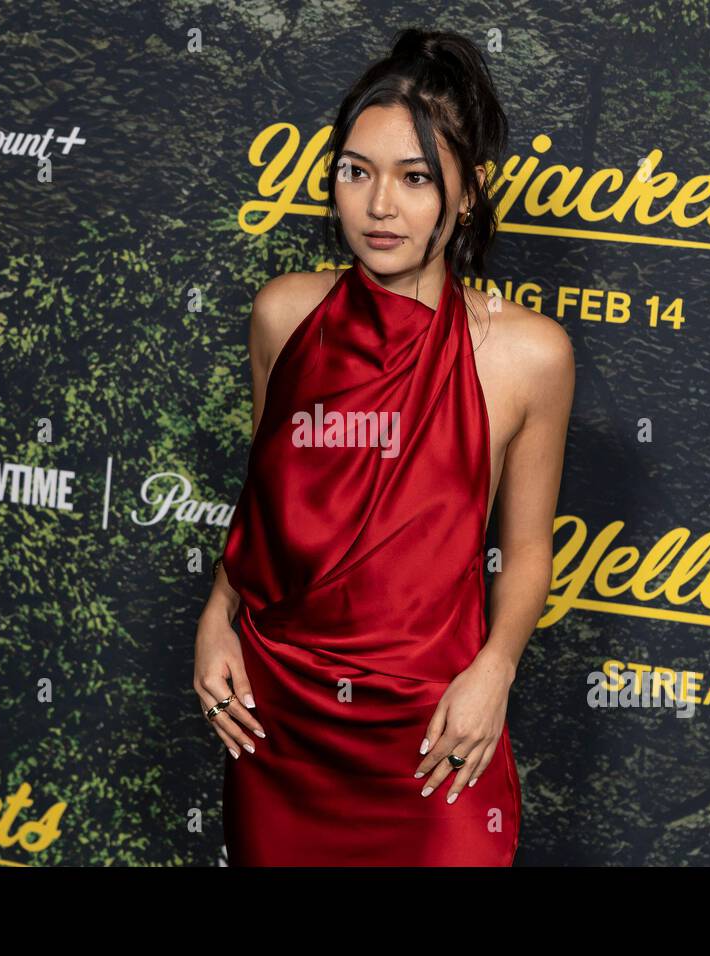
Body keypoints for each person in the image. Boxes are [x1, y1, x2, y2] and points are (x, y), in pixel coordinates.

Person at [193, 28, 575, 866]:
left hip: (436, 729)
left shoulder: (527, 354)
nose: (379, 207)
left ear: (466, 194)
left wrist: (496, 672)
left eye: (414, 178)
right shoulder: (284, 314)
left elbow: (529, 547)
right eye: (356, 172)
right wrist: (217, 617)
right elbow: (266, 503)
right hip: (281, 721)